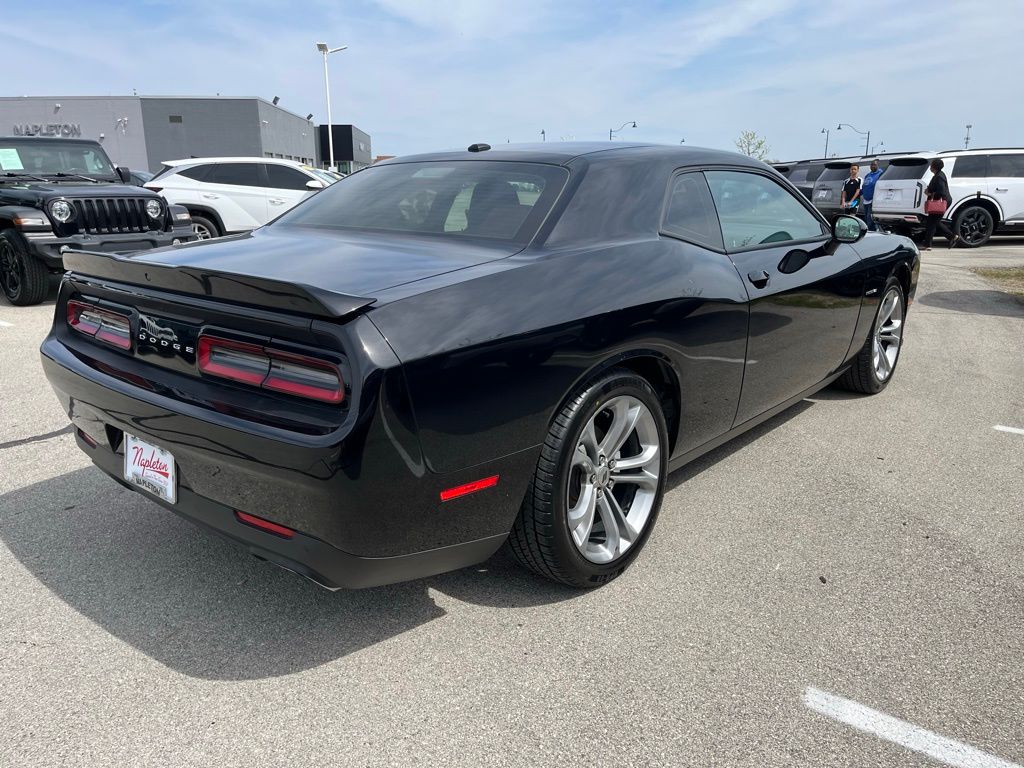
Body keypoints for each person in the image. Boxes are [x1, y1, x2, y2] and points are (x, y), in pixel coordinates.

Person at [922, 158, 958, 250]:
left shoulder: (939, 176)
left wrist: (930, 194)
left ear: (934, 166)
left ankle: (928, 244)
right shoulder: (937, 175)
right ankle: (951, 237)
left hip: (940, 202)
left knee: (932, 222)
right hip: (939, 202)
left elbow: (941, 192)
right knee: (933, 222)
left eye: (931, 165)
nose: (930, 166)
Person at [860, 159, 884, 231]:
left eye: (874, 164)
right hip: (866, 200)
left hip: (873, 200)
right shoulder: (868, 175)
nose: (872, 166)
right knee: (866, 219)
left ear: (878, 165)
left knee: (870, 219)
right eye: (871, 165)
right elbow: (864, 186)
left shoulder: (880, 174)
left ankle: (871, 232)